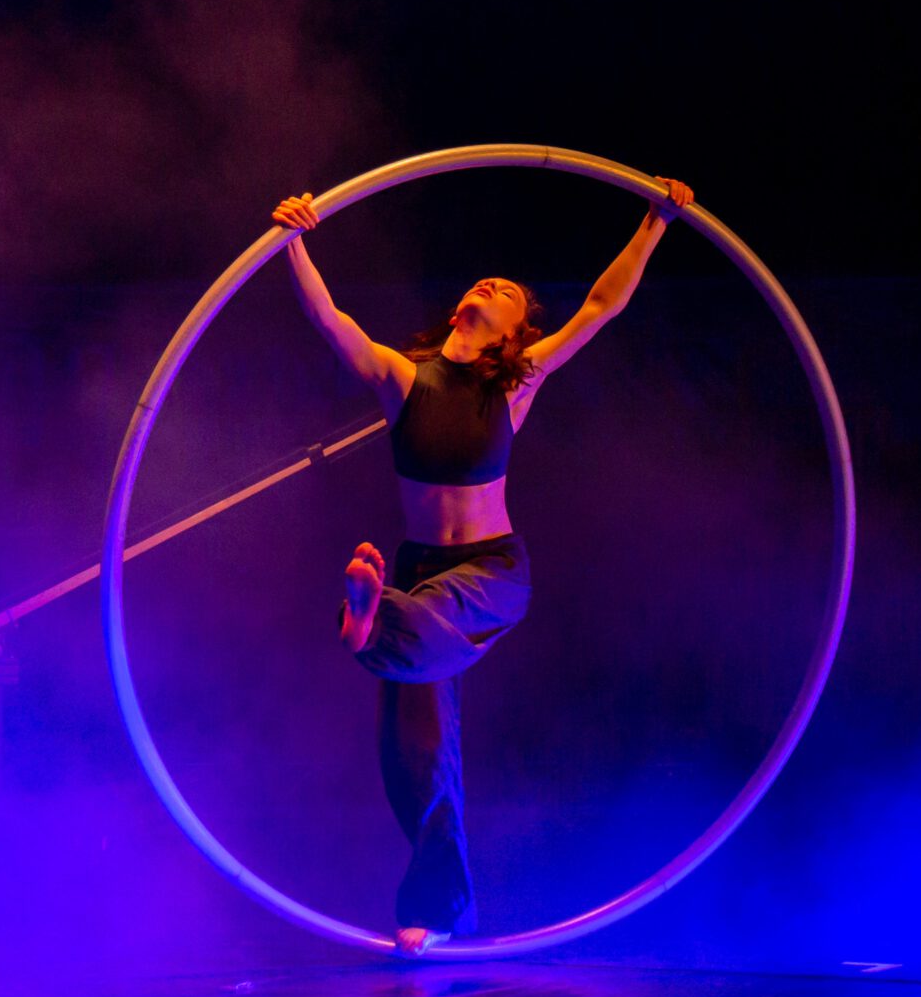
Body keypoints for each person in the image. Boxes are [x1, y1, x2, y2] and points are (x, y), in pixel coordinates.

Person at [272, 175, 693, 955]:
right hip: (417, 570)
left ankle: (366, 622)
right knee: (416, 753)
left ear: (512, 334)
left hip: (490, 572)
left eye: (506, 291)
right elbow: (330, 320)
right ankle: (438, 909)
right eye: (483, 281)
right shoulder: (403, 377)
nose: (489, 284)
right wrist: (294, 240)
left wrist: (654, 221)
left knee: (417, 624)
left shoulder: (517, 381)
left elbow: (600, 306)